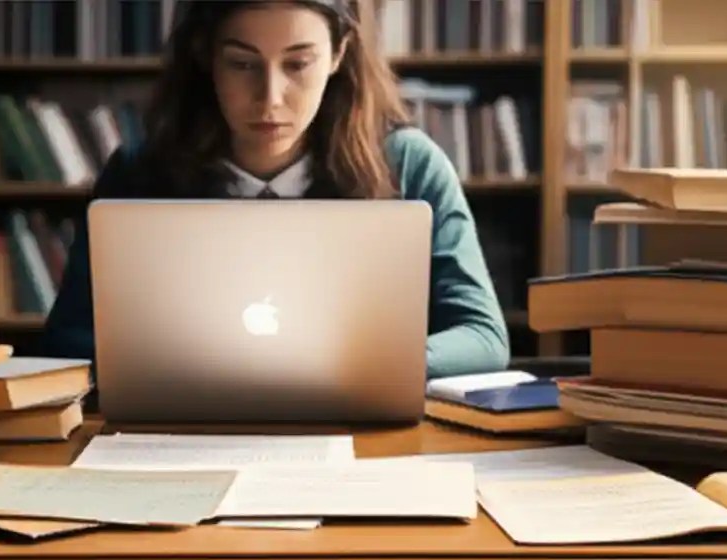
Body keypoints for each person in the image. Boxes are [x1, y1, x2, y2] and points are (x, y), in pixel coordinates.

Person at [42, 0, 510, 379]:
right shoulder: (138, 172)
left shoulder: (409, 166)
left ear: (339, 54)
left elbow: (482, 336)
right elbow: (67, 339)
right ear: (207, 55)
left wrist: (364, 367)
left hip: (359, 434)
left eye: (298, 64)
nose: (270, 97)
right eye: (243, 63)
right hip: (182, 433)